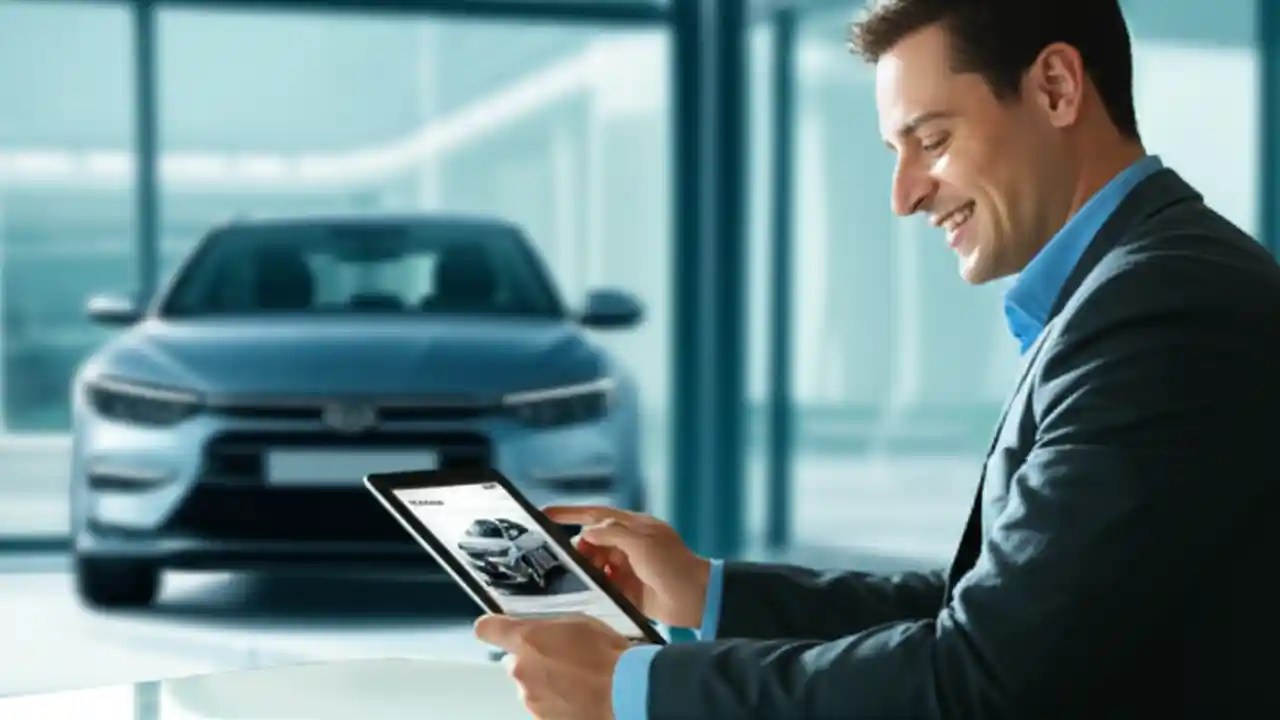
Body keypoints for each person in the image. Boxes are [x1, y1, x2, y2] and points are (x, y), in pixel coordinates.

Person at [474, 0, 1280, 717]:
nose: (904, 195)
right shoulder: (1134, 289)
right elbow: (996, 611)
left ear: (1057, 88)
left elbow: (985, 674)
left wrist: (638, 688)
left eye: (931, 140)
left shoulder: (1163, 310)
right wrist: (706, 592)